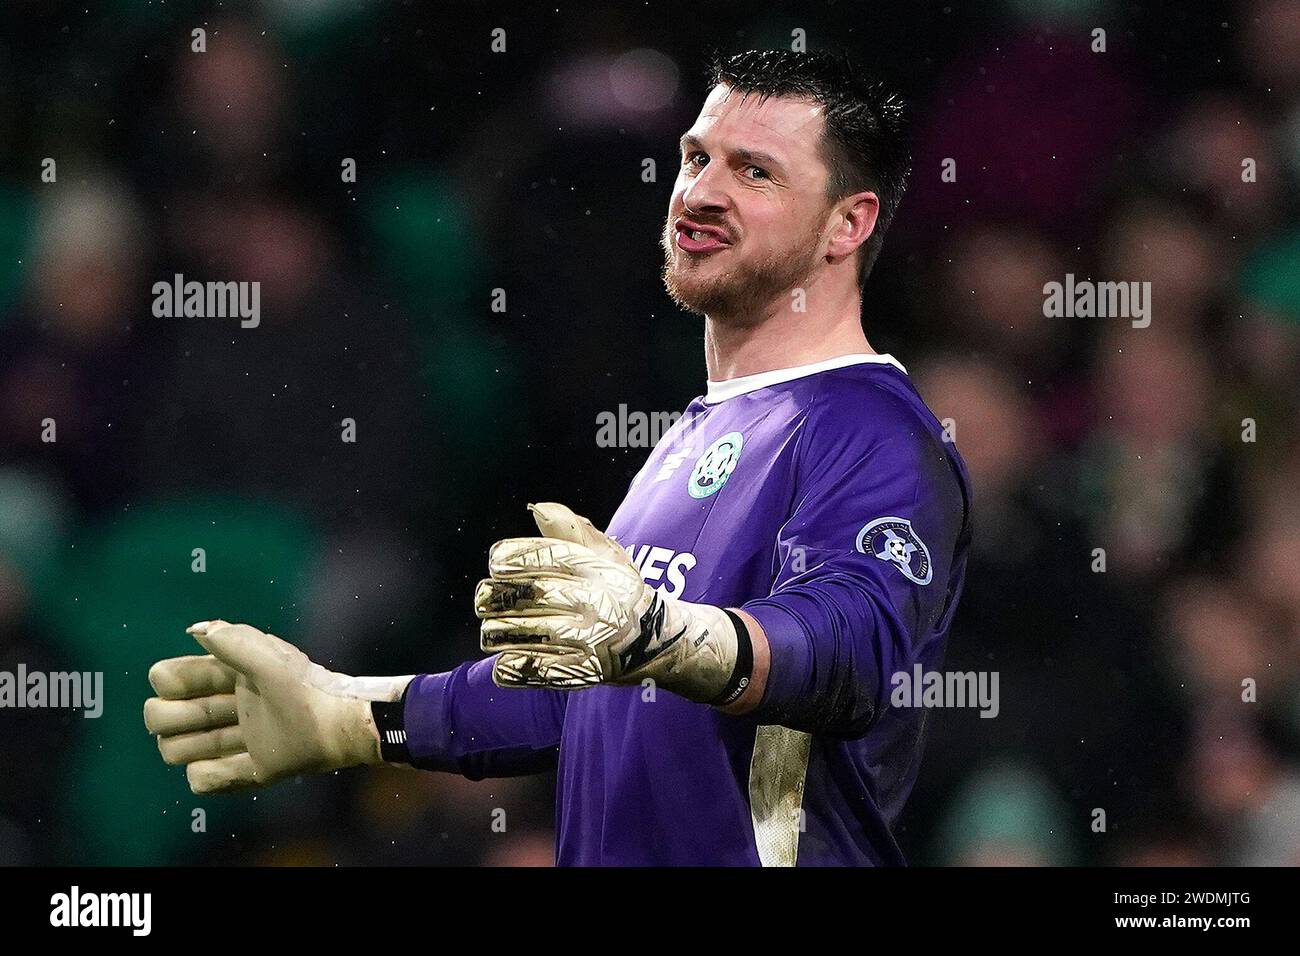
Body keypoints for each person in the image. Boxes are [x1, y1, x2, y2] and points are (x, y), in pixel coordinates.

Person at [143, 49, 973, 866]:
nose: (702, 192)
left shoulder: (870, 429)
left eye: (755, 172)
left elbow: (847, 648)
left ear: (849, 224)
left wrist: (664, 635)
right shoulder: (699, 431)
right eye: (696, 157)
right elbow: (588, 697)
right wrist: (356, 715)